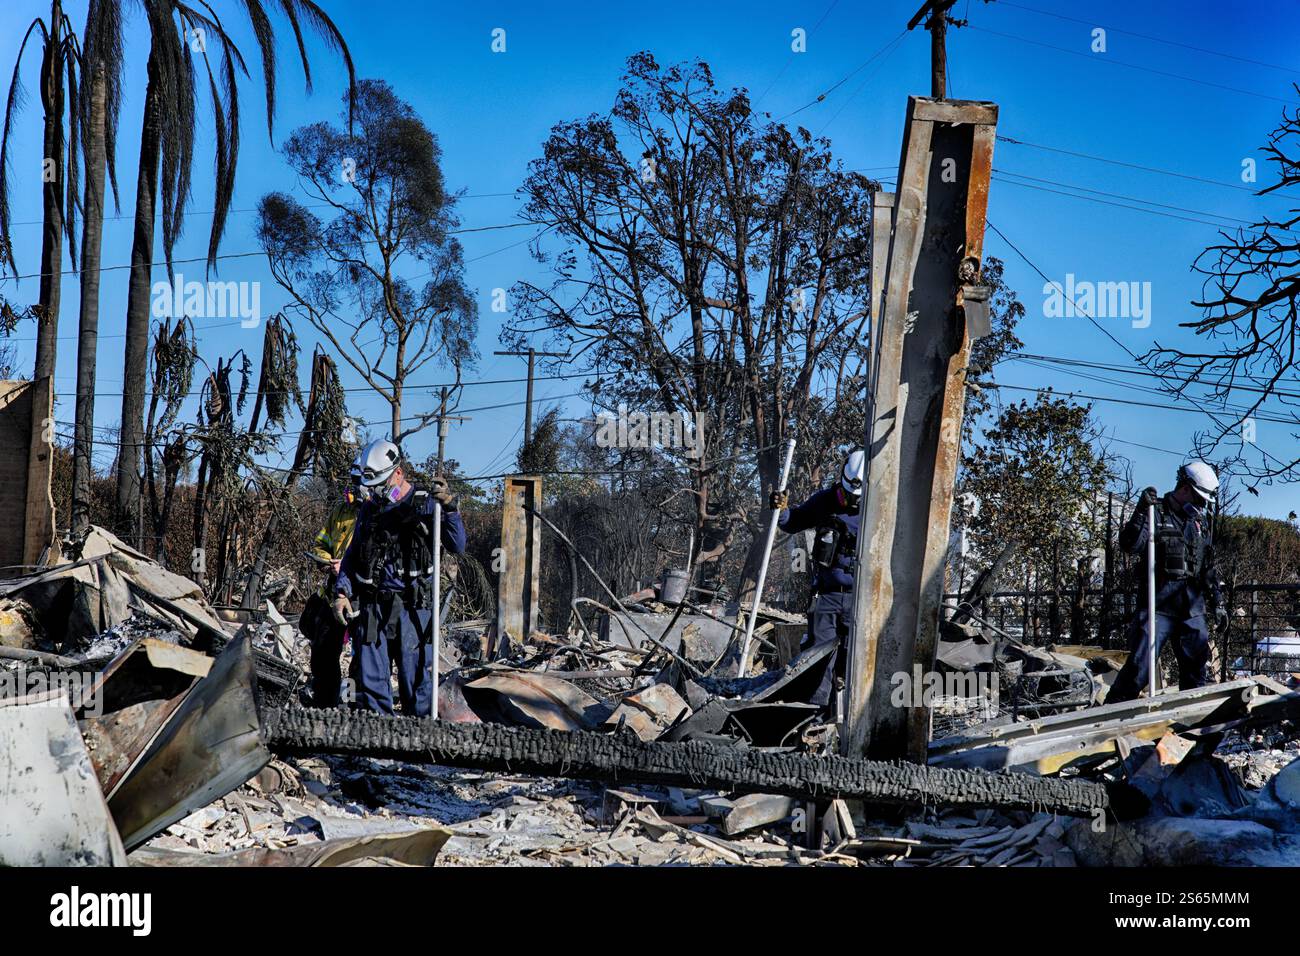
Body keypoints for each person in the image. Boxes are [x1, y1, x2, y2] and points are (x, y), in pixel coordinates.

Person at [333, 439, 465, 716]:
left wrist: (449, 508)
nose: (376, 492)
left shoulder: (426, 504)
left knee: (416, 681)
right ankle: (378, 746)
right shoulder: (371, 510)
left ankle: (418, 745)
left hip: (413, 610)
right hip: (374, 608)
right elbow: (354, 553)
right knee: (370, 682)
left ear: (398, 473)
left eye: (381, 484)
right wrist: (342, 593)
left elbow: (457, 545)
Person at [1106, 460, 1226, 703]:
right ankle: (1108, 719)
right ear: (1185, 489)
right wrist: (1140, 512)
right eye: (1199, 499)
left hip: (1191, 608)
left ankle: (1190, 729)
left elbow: (1207, 568)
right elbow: (1130, 545)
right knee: (1140, 668)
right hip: (1157, 606)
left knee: (1196, 671)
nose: (1202, 505)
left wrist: (1218, 602)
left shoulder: (1199, 524)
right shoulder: (1154, 512)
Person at [769, 448, 864, 709]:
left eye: (856, 498)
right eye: (846, 495)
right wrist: (784, 510)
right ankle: (816, 716)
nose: (849, 501)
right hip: (828, 595)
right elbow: (794, 522)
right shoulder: (825, 501)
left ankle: (850, 717)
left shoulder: (878, 509)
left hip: (863, 599)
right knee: (819, 658)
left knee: (856, 663)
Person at [299, 467, 361, 707]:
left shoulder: (378, 514)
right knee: (323, 655)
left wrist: (346, 567)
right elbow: (320, 544)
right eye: (354, 481)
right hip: (333, 594)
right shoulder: (341, 511)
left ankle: (357, 712)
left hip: (362, 598)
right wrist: (327, 562)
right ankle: (325, 708)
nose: (355, 487)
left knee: (363, 661)